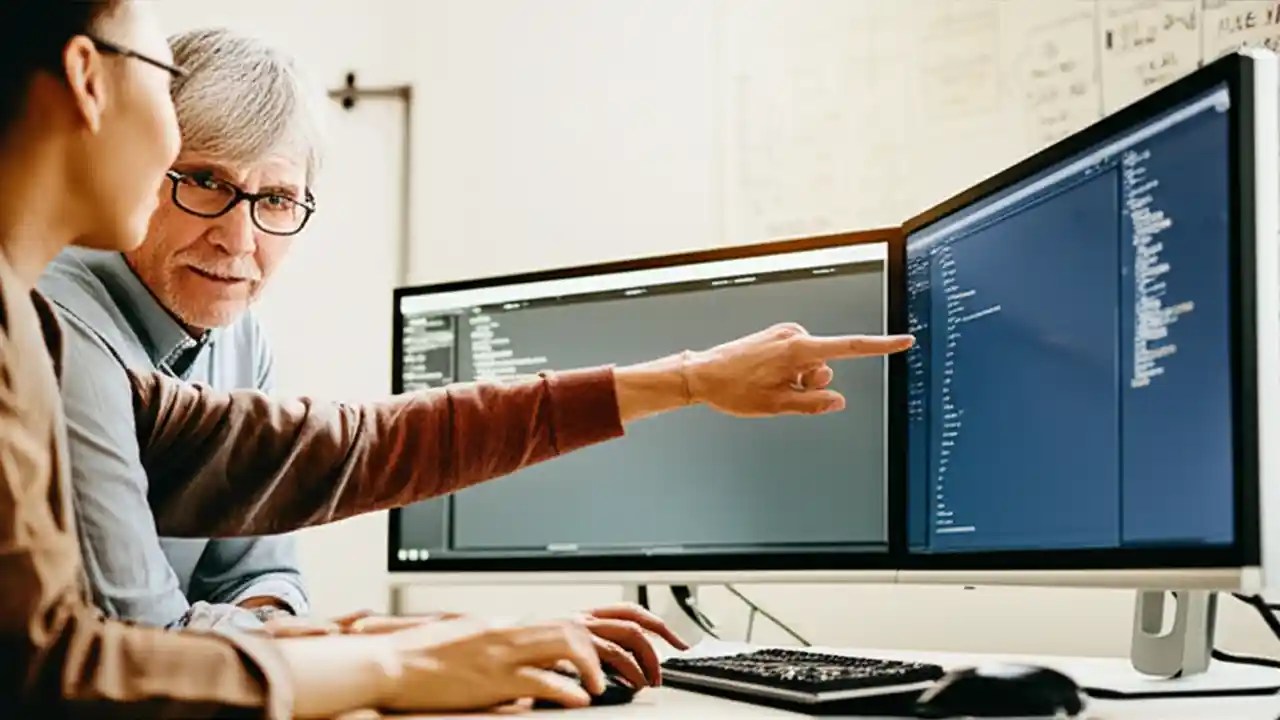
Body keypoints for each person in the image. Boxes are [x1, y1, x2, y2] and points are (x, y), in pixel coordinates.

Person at [0, 2, 914, 717]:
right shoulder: (48, 318)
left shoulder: (50, 329)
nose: (238, 232)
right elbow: (101, 658)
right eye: (200, 176)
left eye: (275, 198)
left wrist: (682, 380)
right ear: (88, 82)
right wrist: (411, 655)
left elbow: (341, 449)